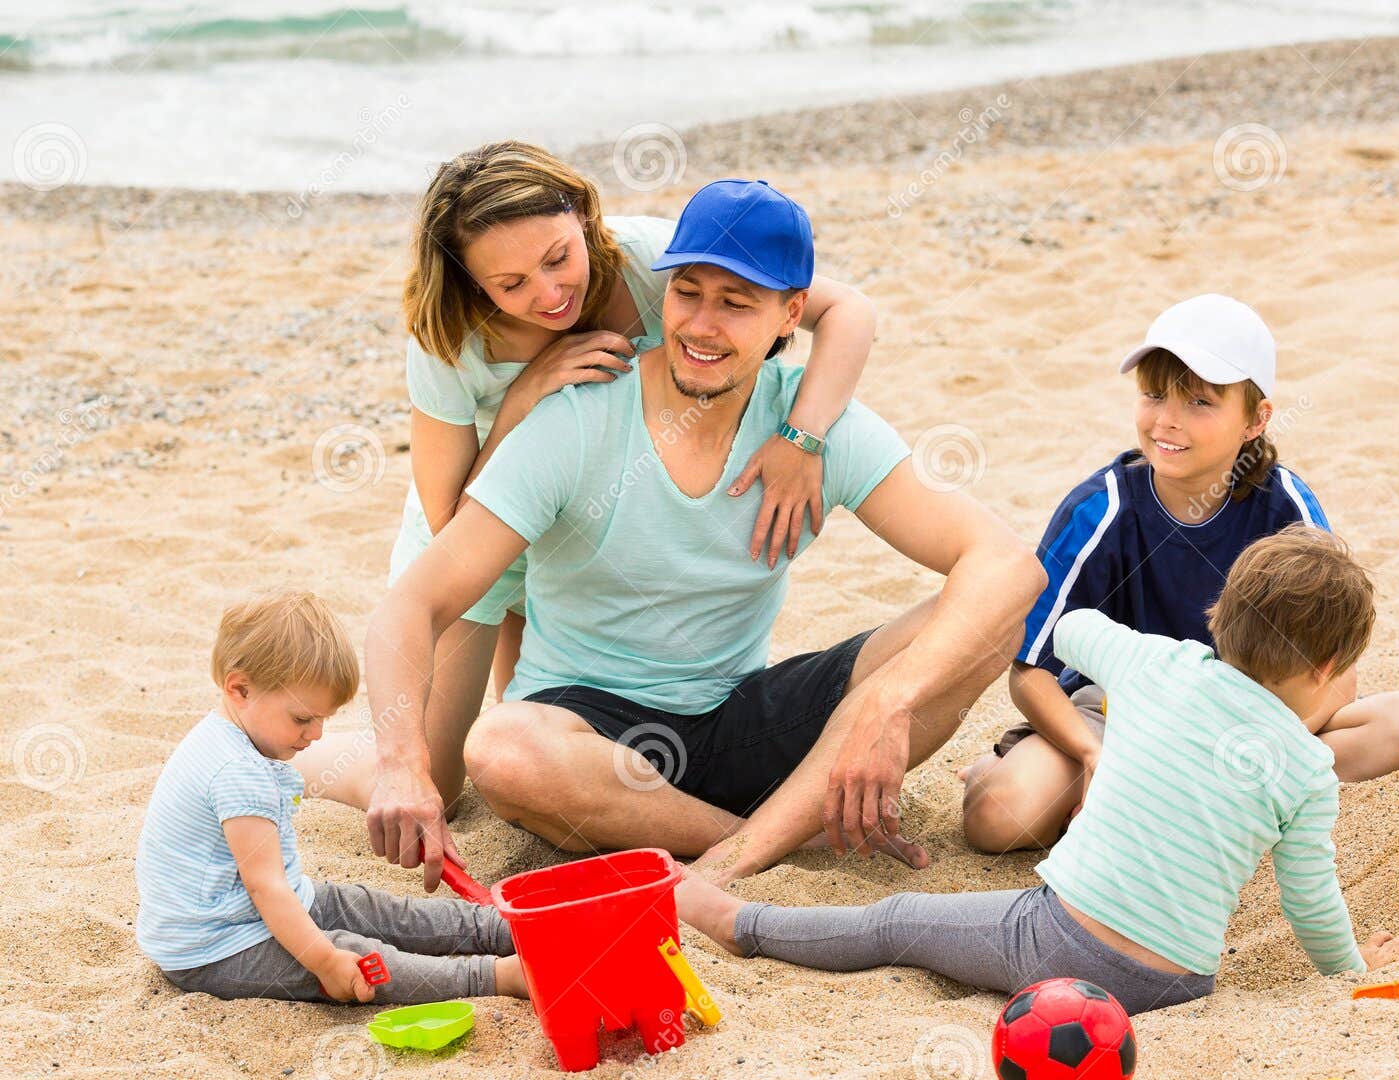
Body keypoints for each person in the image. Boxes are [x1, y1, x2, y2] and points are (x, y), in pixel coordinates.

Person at [361, 178, 1045, 891]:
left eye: (736, 304)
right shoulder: (576, 418)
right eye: (688, 294)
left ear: (791, 315)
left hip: (740, 714)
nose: (702, 326)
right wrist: (403, 766)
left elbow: (1006, 563)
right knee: (502, 748)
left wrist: (886, 703)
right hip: (595, 734)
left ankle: (753, 838)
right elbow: (411, 603)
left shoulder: (810, 428)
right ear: (663, 293)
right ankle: (751, 846)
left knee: (985, 619)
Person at [296, 141, 881, 818]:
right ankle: (295, 757)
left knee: (553, 765)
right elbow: (450, 528)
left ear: (583, 215)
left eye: (557, 259)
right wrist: (526, 397)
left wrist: (800, 437)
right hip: (488, 542)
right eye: (510, 285)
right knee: (441, 783)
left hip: (587, 531)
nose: (549, 295)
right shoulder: (448, 338)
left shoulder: (650, 260)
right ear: (471, 280)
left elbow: (849, 312)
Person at [676, 527, 1399, 1014]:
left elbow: (1070, 629)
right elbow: (1310, 900)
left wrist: (1138, 661)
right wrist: (1350, 969)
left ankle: (741, 923)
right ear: (1329, 668)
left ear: (1219, 619)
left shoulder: (1160, 663)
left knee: (896, 922)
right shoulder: (1308, 768)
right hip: (1179, 986)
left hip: (1056, 942)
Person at [961, 294, 1399, 855]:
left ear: (1256, 419)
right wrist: (1096, 757)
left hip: (1246, 718)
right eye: (1153, 393)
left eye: (1199, 402)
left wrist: (1256, 745)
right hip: (1116, 720)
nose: (1167, 419)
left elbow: (1335, 665)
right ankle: (1006, 770)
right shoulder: (1101, 510)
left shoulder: (1284, 507)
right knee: (999, 818)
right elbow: (1029, 671)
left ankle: (1188, 798)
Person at [135, 592, 523, 1004]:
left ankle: (498, 927)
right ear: (240, 689)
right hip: (217, 946)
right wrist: (324, 960)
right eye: (302, 718)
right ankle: (497, 976)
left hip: (254, 910)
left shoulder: (234, 739)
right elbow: (265, 888)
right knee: (357, 957)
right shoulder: (236, 771)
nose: (317, 734)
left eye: (322, 719)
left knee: (364, 906)